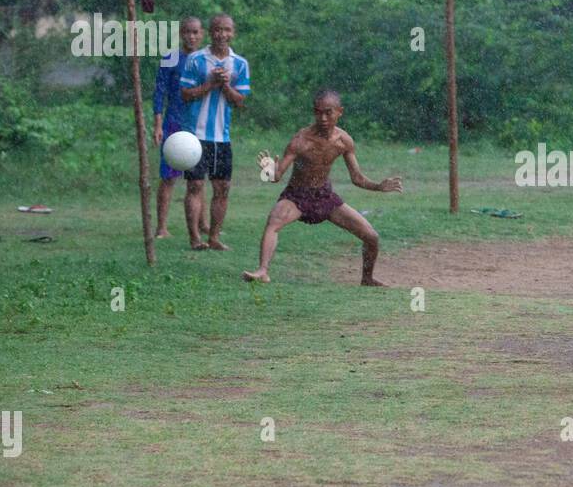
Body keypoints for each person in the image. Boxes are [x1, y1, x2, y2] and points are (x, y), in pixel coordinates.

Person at [243, 89, 402, 285]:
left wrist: (378, 186)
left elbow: (357, 178)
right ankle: (262, 271)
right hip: (296, 197)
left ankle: (367, 278)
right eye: (318, 112)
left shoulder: (343, 141)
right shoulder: (301, 140)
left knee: (372, 237)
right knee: (273, 222)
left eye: (329, 112)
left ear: (340, 112)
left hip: (325, 198)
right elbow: (276, 176)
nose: (323, 118)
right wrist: (268, 169)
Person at [179, 14, 250, 250]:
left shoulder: (240, 64)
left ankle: (215, 237)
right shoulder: (196, 60)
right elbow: (185, 94)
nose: (222, 34)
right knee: (195, 186)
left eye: (227, 30)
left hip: (222, 137)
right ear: (210, 32)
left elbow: (240, 101)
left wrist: (226, 85)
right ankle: (194, 238)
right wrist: (210, 83)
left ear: (233, 32)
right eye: (218, 30)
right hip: (195, 135)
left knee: (222, 188)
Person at [151, 16, 204, 239]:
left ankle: (202, 224)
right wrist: (158, 124)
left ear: (202, 34)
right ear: (181, 34)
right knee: (169, 177)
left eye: (195, 32)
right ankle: (161, 227)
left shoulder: (206, 60)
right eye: (187, 32)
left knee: (198, 180)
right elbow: (159, 91)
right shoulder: (170, 58)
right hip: (174, 123)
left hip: (199, 125)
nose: (191, 36)